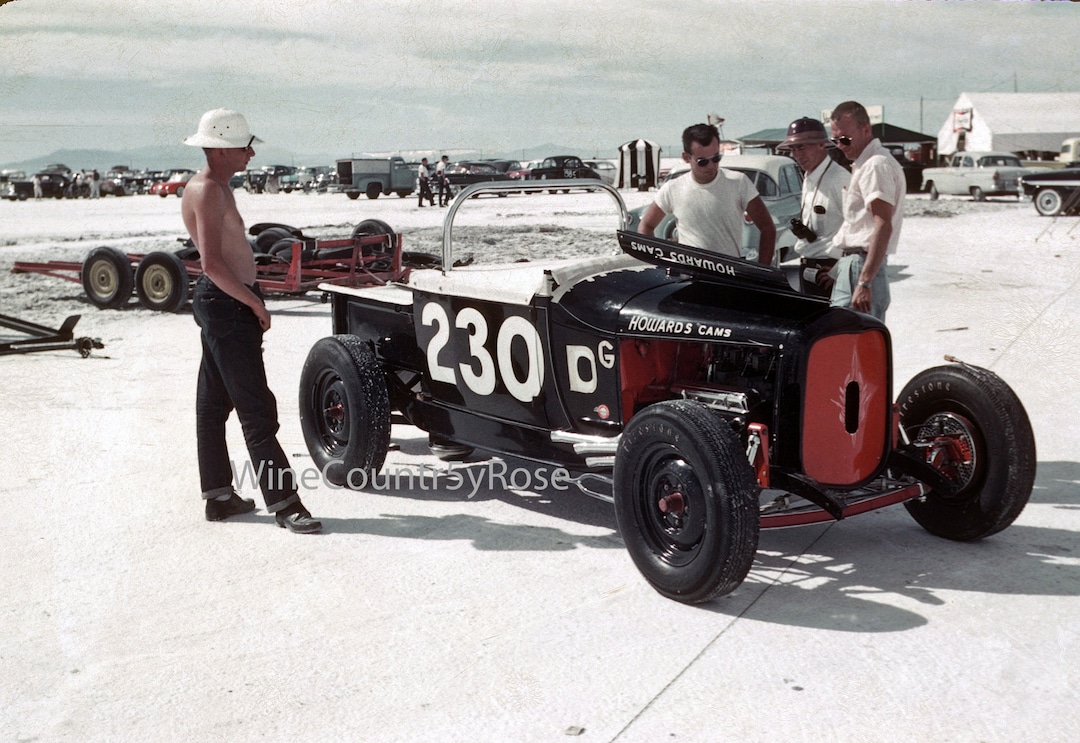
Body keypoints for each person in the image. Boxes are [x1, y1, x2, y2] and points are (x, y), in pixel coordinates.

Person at [181, 108, 322, 533]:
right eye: (245, 146)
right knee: (255, 408)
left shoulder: (216, 187)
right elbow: (212, 265)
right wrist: (255, 304)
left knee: (212, 403)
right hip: (227, 304)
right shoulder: (208, 190)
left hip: (222, 304)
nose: (252, 153)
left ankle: (219, 496)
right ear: (223, 149)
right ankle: (285, 504)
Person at [638, 123, 775, 264]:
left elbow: (767, 227)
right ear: (686, 157)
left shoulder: (738, 183)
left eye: (716, 158)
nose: (711, 166)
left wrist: (763, 271)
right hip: (690, 277)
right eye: (702, 162)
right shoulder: (673, 188)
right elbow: (646, 226)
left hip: (729, 277)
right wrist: (657, 263)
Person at [829, 101, 905, 322]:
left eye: (845, 138)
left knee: (852, 341)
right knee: (844, 341)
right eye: (835, 140)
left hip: (862, 266)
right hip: (856, 264)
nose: (840, 146)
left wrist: (864, 281)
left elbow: (883, 225)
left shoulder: (875, 165)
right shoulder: (865, 164)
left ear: (866, 130)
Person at [776, 117, 850, 298]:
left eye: (802, 147)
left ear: (821, 145)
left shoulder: (839, 178)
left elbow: (858, 227)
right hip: (810, 268)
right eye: (793, 149)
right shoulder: (809, 176)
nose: (797, 155)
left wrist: (840, 269)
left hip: (830, 272)